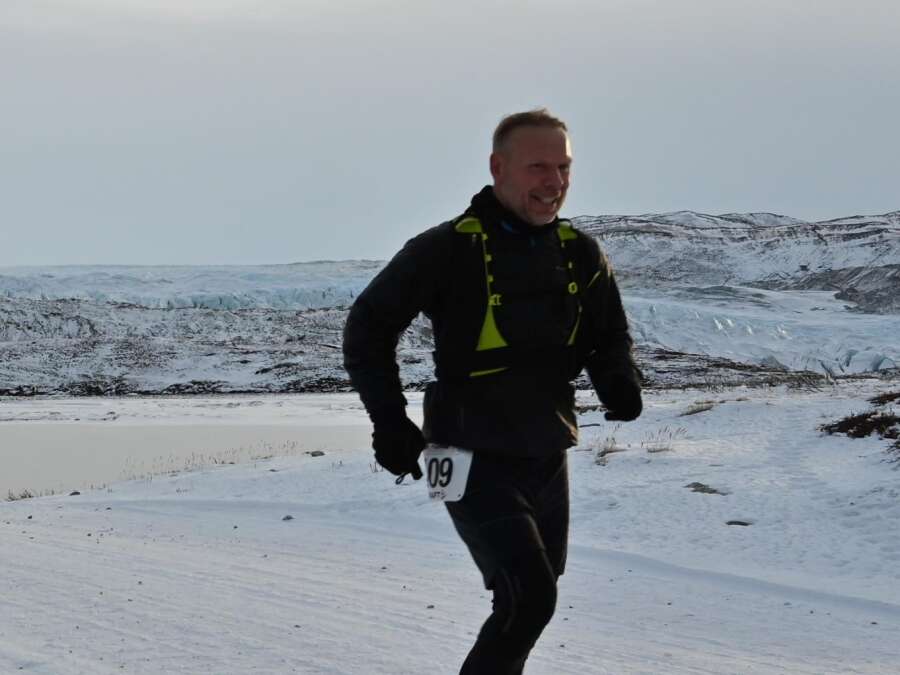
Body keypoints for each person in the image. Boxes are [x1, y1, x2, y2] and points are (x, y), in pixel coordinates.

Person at [343, 109, 642, 674]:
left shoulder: (580, 252)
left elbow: (609, 334)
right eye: (538, 167)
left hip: (547, 447)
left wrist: (618, 380)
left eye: (564, 167)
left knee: (531, 597)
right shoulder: (444, 248)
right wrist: (389, 419)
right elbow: (367, 328)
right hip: (456, 451)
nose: (554, 181)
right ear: (498, 168)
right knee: (529, 596)